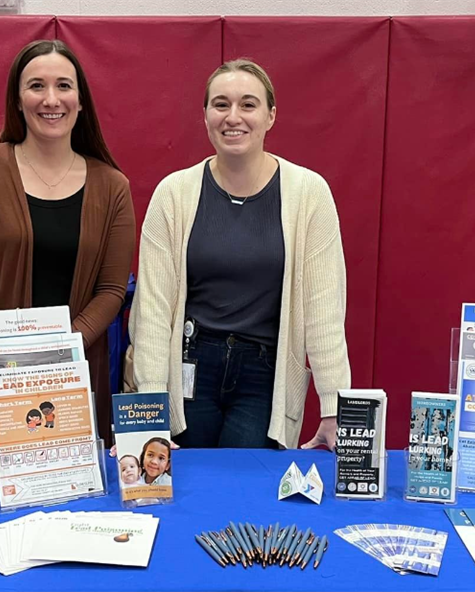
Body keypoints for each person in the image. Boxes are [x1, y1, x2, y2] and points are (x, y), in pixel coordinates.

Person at [128, 58, 349, 450]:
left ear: (271, 116)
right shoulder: (173, 194)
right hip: (190, 369)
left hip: (264, 375)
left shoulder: (309, 194)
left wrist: (334, 407)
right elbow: (153, 310)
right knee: (187, 491)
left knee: (249, 493)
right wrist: (150, 406)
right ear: (206, 115)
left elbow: (323, 310)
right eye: (221, 104)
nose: (234, 117)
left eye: (248, 104)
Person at [0, 39, 135, 448]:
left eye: (64, 86)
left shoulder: (112, 186)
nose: (51, 99)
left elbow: (111, 291)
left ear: (81, 101)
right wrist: (7, 355)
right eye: (36, 86)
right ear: (17, 99)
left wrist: (59, 353)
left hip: (77, 368)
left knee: (79, 497)